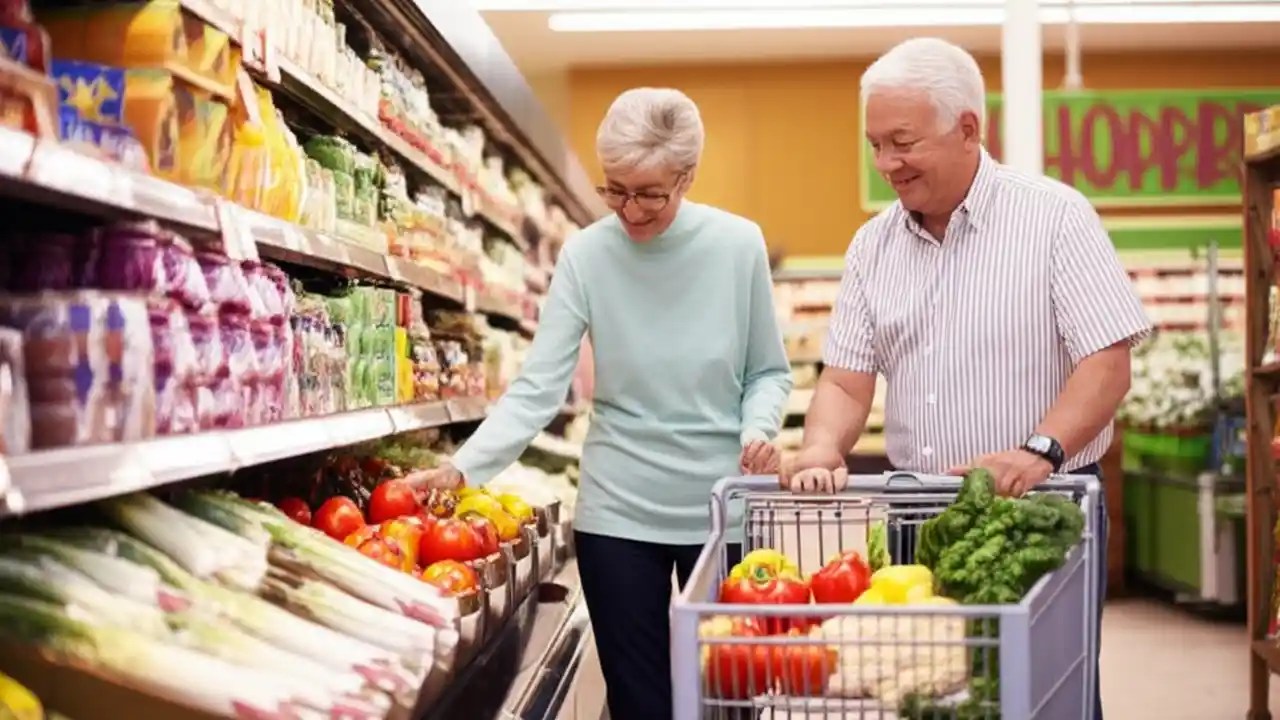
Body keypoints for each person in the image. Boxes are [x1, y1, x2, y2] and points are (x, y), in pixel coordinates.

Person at [781, 38, 1150, 720]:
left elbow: (1107, 361)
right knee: (924, 699)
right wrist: (822, 448)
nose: (887, 163)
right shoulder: (872, 245)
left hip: (1041, 511)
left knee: (1045, 696)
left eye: (902, 142)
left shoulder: (1054, 218)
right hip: (919, 515)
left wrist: (1037, 451)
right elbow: (845, 380)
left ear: (969, 129)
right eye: (875, 145)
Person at [416, 87, 793, 720]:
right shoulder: (587, 254)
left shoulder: (738, 246)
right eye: (614, 189)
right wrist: (463, 468)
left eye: (650, 193)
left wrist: (758, 426)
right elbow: (538, 386)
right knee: (640, 701)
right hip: (618, 512)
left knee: (730, 695)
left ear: (687, 176)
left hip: (723, 506)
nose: (630, 210)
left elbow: (768, 371)